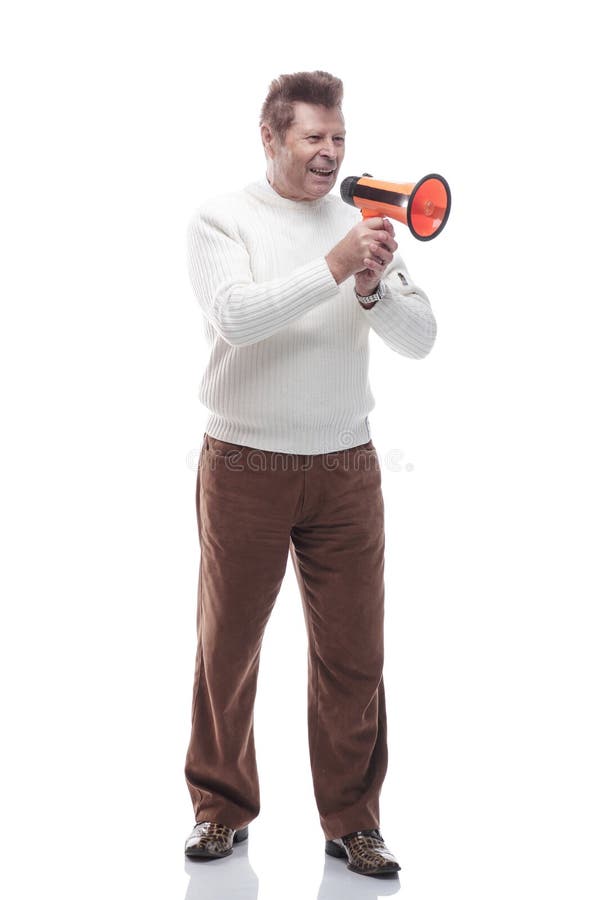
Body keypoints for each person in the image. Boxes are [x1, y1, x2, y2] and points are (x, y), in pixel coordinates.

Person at [183, 70, 437, 878]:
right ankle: (220, 810)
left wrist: (372, 292)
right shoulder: (221, 219)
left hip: (346, 470)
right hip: (244, 465)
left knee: (355, 654)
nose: (330, 153)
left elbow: (423, 337)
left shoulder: (365, 221)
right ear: (271, 136)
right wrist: (332, 266)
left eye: (339, 138)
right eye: (313, 138)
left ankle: (354, 822)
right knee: (229, 648)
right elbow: (237, 317)